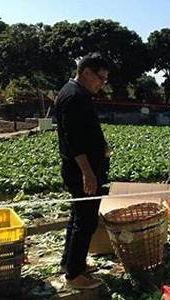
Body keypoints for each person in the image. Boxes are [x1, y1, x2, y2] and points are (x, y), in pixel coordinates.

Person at [54, 53, 110, 289]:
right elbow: (73, 141)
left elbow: (83, 134)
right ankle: (74, 276)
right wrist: (88, 173)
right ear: (86, 72)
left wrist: (102, 146)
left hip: (83, 169)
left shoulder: (76, 93)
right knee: (85, 221)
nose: (102, 83)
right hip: (81, 171)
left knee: (78, 217)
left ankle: (70, 263)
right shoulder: (74, 96)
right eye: (101, 78)